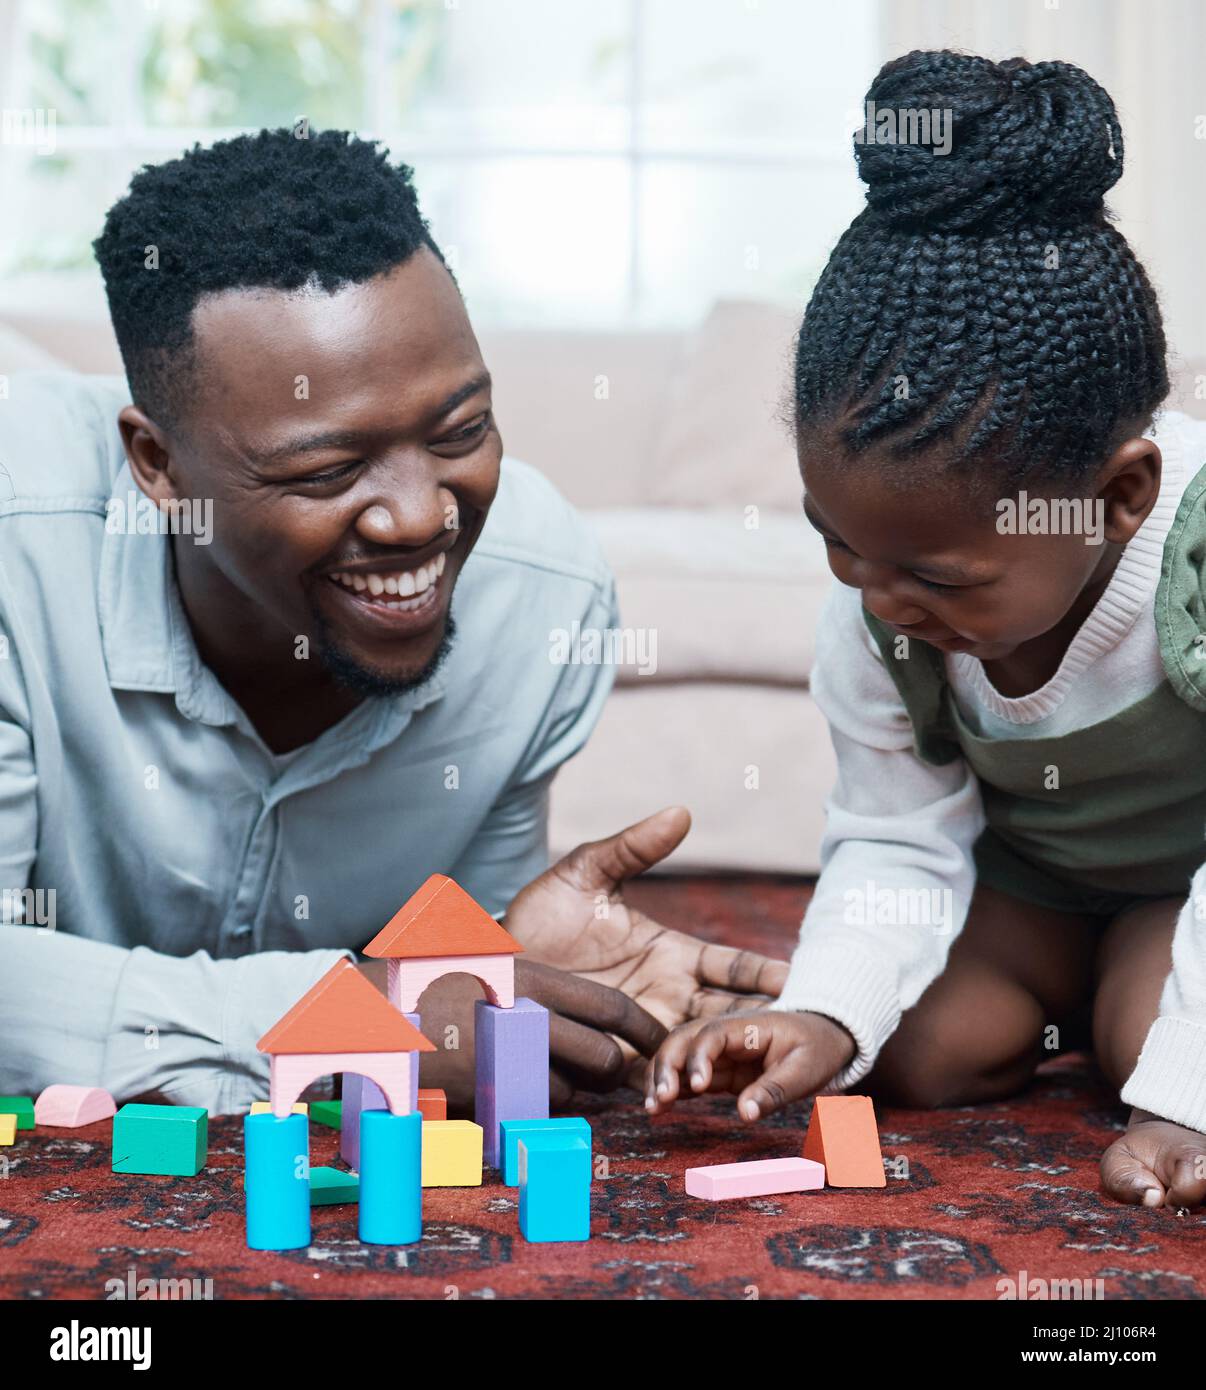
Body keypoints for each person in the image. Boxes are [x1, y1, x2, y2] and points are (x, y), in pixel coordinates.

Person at [0, 128, 785, 1115]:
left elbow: (448, 989)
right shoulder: (16, 549)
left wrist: (497, 951)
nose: (422, 516)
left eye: (459, 432)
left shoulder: (543, 598)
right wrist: (342, 1013)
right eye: (327, 471)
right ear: (157, 467)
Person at [646, 50, 1206, 1210]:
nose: (881, 597)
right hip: (1030, 882)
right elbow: (895, 840)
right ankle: (1081, 989)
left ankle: (1127, 999)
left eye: (941, 576)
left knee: (1151, 1040)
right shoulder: (876, 610)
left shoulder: (1189, 562)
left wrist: (1184, 1093)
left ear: (1119, 497)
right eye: (839, 543)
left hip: (1188, 878)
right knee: (912, 1055)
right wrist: (825, 1007)